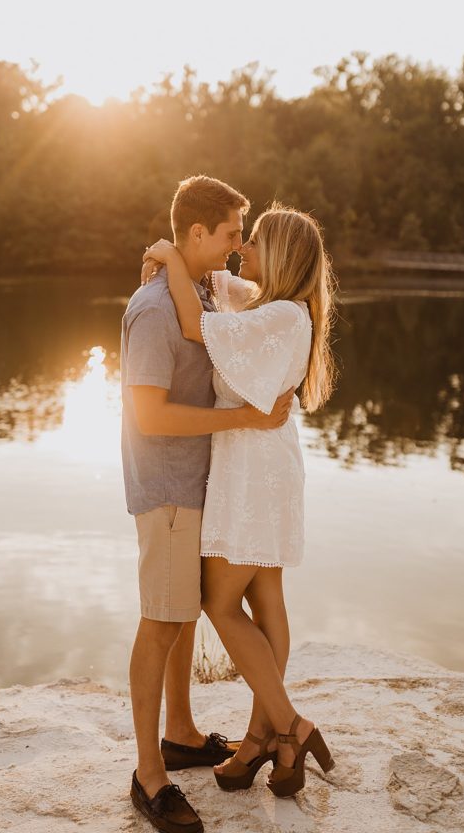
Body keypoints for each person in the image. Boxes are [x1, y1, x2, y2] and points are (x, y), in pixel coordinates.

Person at [143, 203, 337, 800]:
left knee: (219, 603)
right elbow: (219, 287)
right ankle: (263, 745)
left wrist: (173, 258)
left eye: (251, 242)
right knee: (266, 597)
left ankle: (290, 727)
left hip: (254, 473)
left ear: (277, 255)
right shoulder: (273, 307)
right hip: (267, 465)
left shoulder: (279, 315)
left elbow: (196, 326)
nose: (240, 251)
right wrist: (188, 260)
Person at [121, 176, 295, 833]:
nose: (235, 246)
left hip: (202, 485)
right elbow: (150, 417)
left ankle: (182, 734)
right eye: (228, 234)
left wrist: (167, 258)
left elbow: (275, 302)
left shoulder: (193, 291)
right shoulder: (154, 310)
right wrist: (245, 422)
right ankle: (148, 775)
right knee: (160, 622)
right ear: (197, 233)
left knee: (185, 614)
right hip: (167, 486)